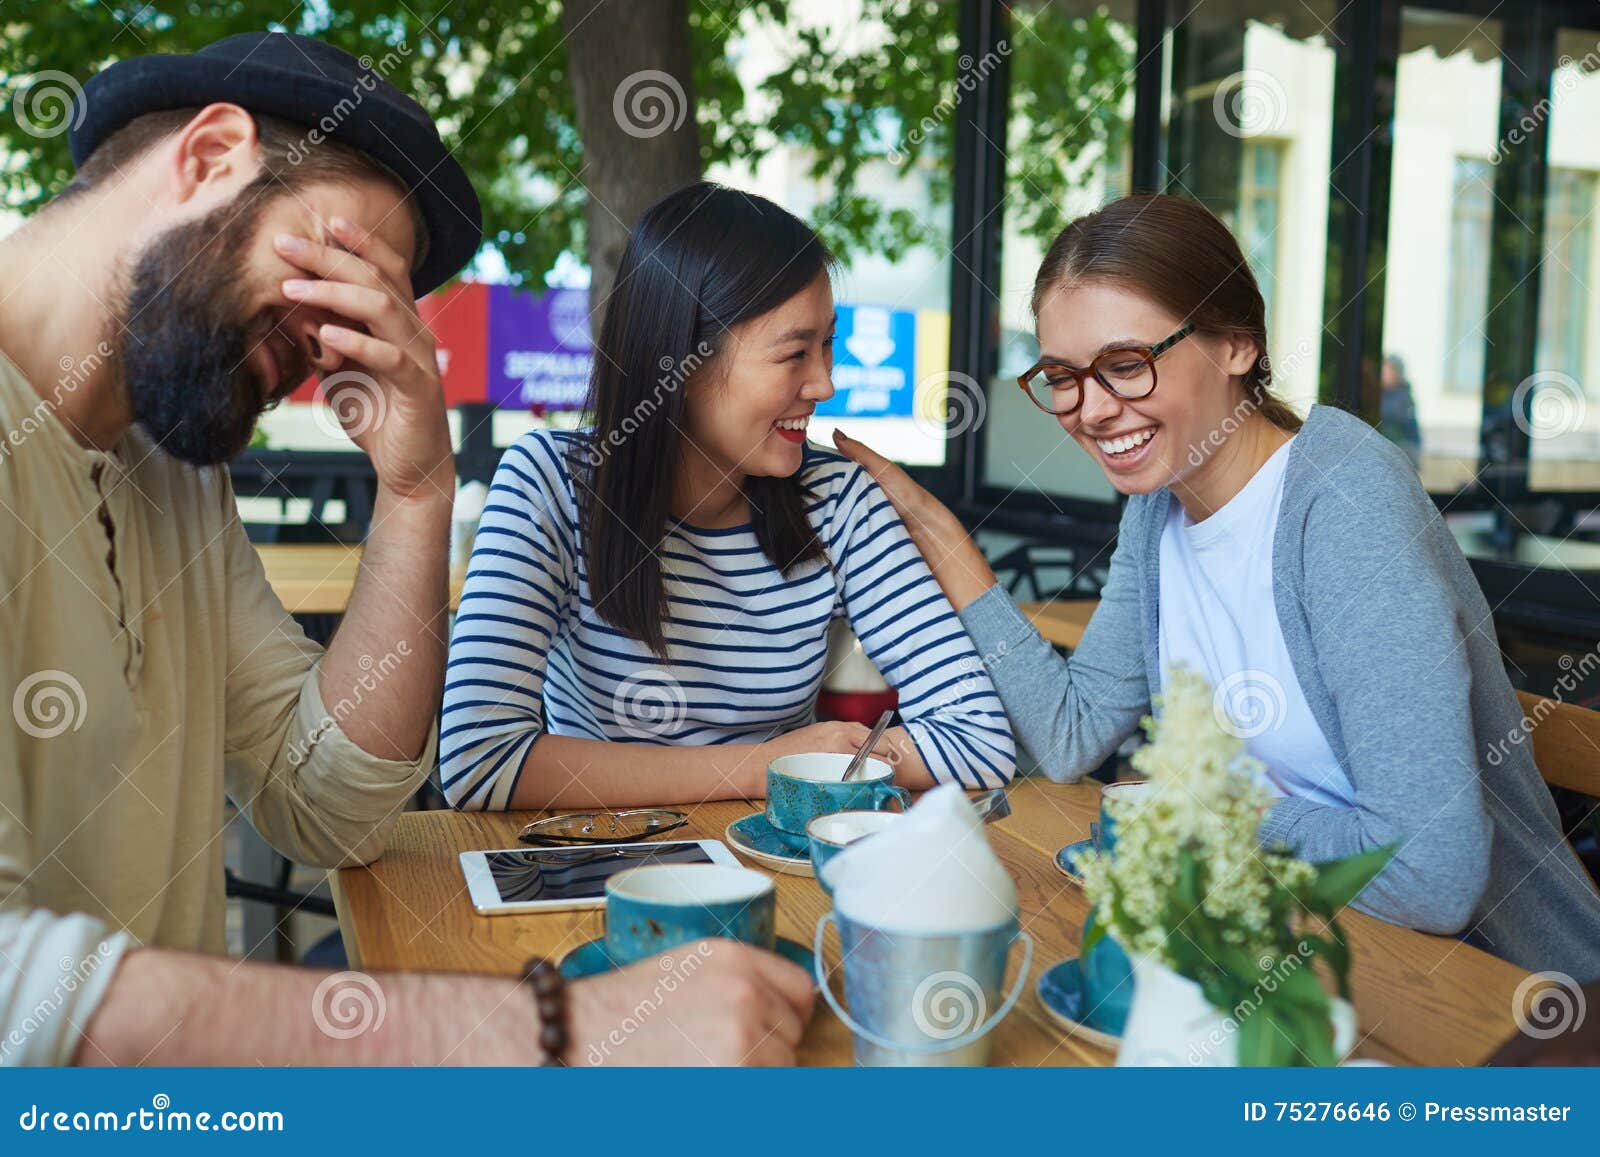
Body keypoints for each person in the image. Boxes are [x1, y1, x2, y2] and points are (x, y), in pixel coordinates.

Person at [0, 33, 812, 1067]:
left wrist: (419, 490)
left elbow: (328, 804)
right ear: (210, 157)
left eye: (374, 299)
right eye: (336, 264)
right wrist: (562, 1028)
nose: (338, 335)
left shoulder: (172, 473)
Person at [834, 193, 1600, 981]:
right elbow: (1072, 734)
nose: (1092, 409)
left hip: (1498, 998)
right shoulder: (1158, 512)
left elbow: (1433, 872)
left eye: (1127, 364)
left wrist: (1200, 809)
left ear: (1237, 345)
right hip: (1288, 949)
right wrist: (938, 532)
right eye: (1063, 376)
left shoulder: (1342, 501)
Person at [439, 183, 1016, 810]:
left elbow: (979, 738)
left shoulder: (840, 500)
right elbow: (478, 761)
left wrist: (825, 762)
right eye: (795, 353)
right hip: (598, 866)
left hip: (778, 873)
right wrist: (766, 767)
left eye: (828, 345)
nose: (824, 382)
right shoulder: (551, 482)